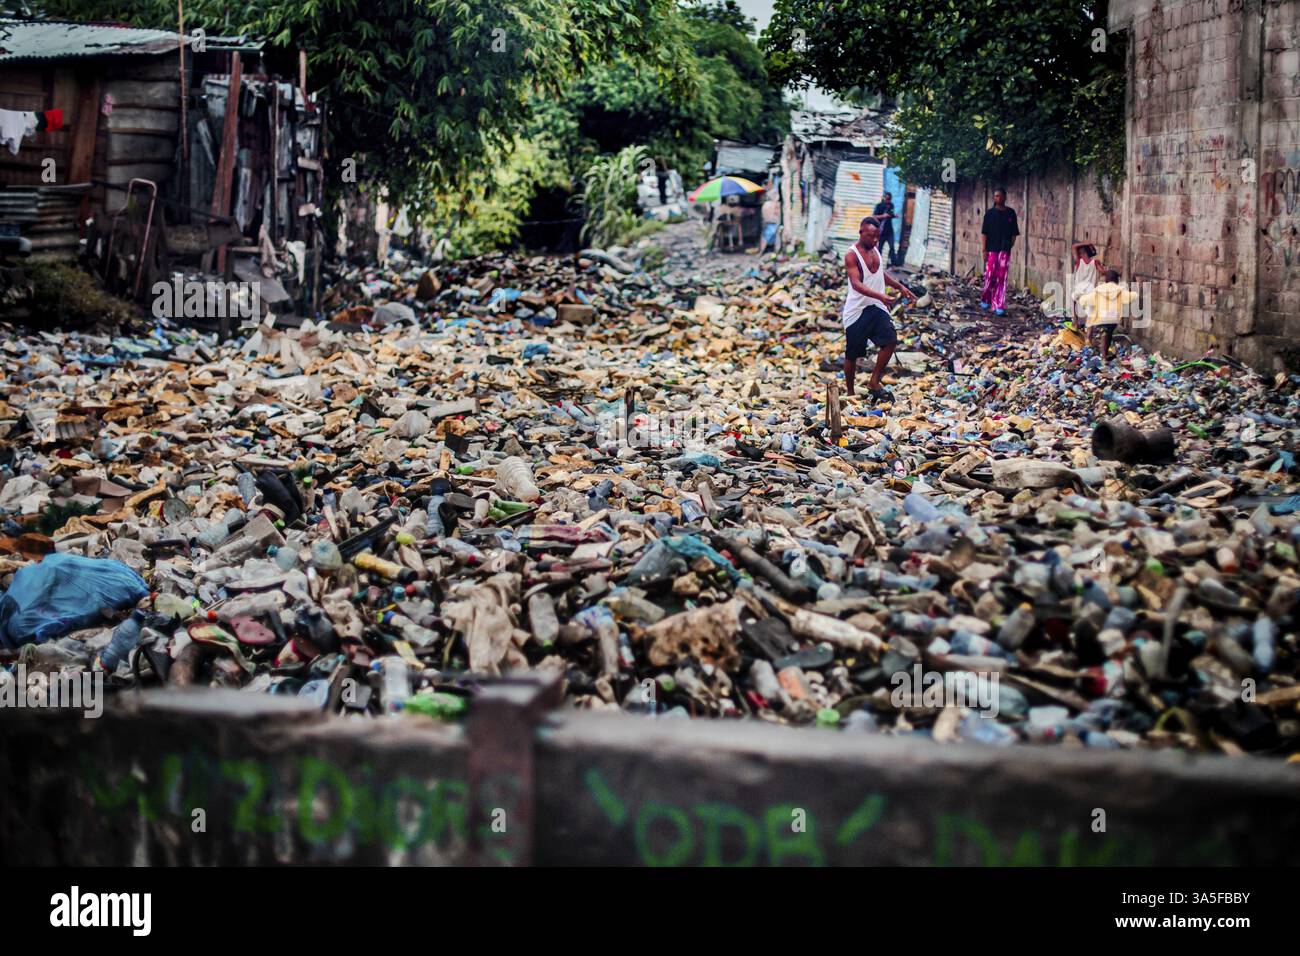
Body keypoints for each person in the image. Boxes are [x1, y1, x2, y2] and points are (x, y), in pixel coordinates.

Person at [842, 217, 917, 401]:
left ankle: (874, 381)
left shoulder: (875, 250)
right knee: (852, 354)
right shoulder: (851, 255)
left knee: (890, 340)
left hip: (875, 307)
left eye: (877, 236)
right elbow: (856, 283)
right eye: (871, 236)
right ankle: (850, 392)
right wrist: (880, 295)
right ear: (861, 232)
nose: (875, 240)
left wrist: (900, 287)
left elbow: (880, 273)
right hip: (857, 310)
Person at [1075, 268, 1137, 360]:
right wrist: (1136, 291)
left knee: (1104, 334)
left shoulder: (1098, 291)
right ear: (1117, 280)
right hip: (1114, 318)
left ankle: (1103, 357)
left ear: (1106, 280)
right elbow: (1131, 297)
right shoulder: (1120, 291)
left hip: (1102, 318)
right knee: (1108, 335)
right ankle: (1105, 355)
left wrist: (1079, 298)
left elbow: (1084, 300)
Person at [979, 187, 1019, 315]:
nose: (999, 198)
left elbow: (1014, 233)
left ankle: (998, 304)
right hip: (991, 249)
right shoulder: (989, 214)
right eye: (996, 196)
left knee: (1002, 277)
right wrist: (984, 249)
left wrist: (1010, 245)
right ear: (994, 198)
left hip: (1004, 250)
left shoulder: (1011, 213)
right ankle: (986, 298)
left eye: (1001, 196)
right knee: (990, 275)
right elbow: (984, 233)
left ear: (1005, 197)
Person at [1070, 241, 1101, 324]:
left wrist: (1087, 243)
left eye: (1079, 253)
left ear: (1082, 253)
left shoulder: (1078, 261)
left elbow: (1074, 246)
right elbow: (1103, 272)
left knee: (1073, 301)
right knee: (1090, 312)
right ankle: (1089, 332)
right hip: (1090, 292)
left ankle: (1075, 322)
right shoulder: (1095, 262)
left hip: (1079, 290)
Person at [873, 191, 898, 265]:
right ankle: (878, 264)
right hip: (881, 231)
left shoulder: (891, 205)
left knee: (892, 247)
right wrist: (883, 216)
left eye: (889, 199)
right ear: (884, 198)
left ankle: (891, 263)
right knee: (879, 248)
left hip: (889, 231)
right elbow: (874, 216)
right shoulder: (879, 206)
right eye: (887, 199)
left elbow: (891, 214)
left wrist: (894, 216)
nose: (888, 201)